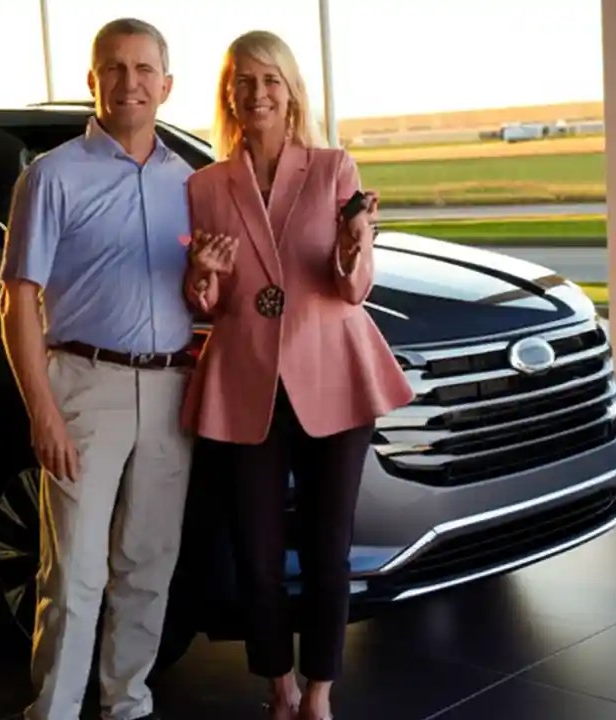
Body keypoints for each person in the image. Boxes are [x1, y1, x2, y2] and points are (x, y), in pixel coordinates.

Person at [179, 30, 414, 720]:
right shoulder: (204, 186)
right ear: (229, 93)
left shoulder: (335, 167)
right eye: (244, 81)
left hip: (333, 376)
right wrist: (203, 276)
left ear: (290, 91)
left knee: (326, 548)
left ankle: (319, 693)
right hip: (246, 379)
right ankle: (276, 687)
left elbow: (353, 290)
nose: (257, 93)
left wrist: (352, 248)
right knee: (256, 549)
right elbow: (208, 304)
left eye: (270, 80)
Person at [0, 17, 195, 720]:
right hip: (84, 387)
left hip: (174, 390)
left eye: (144, 69)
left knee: (147, 565)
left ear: (166, 85)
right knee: (75, 573)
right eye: (114, 68)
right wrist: (42, 410)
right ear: (92, 81)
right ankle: (51, 710)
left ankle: (128, 703)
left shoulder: (189, 183)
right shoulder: (51, 177)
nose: (129, 82)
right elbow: (16, 302)